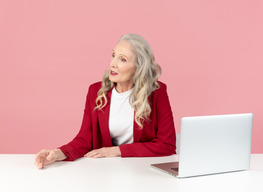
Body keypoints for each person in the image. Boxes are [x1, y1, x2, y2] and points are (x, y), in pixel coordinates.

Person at [35, 33, 176, 169]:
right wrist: (58, 153)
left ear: (138, 68)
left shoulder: (157, 92)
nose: (113, 64)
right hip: (105, 171)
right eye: (113, 55)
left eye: (123, 59)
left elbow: (166, 145)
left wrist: (114, 151)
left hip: (142, 170)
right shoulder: (95, 91)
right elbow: (85, 139)